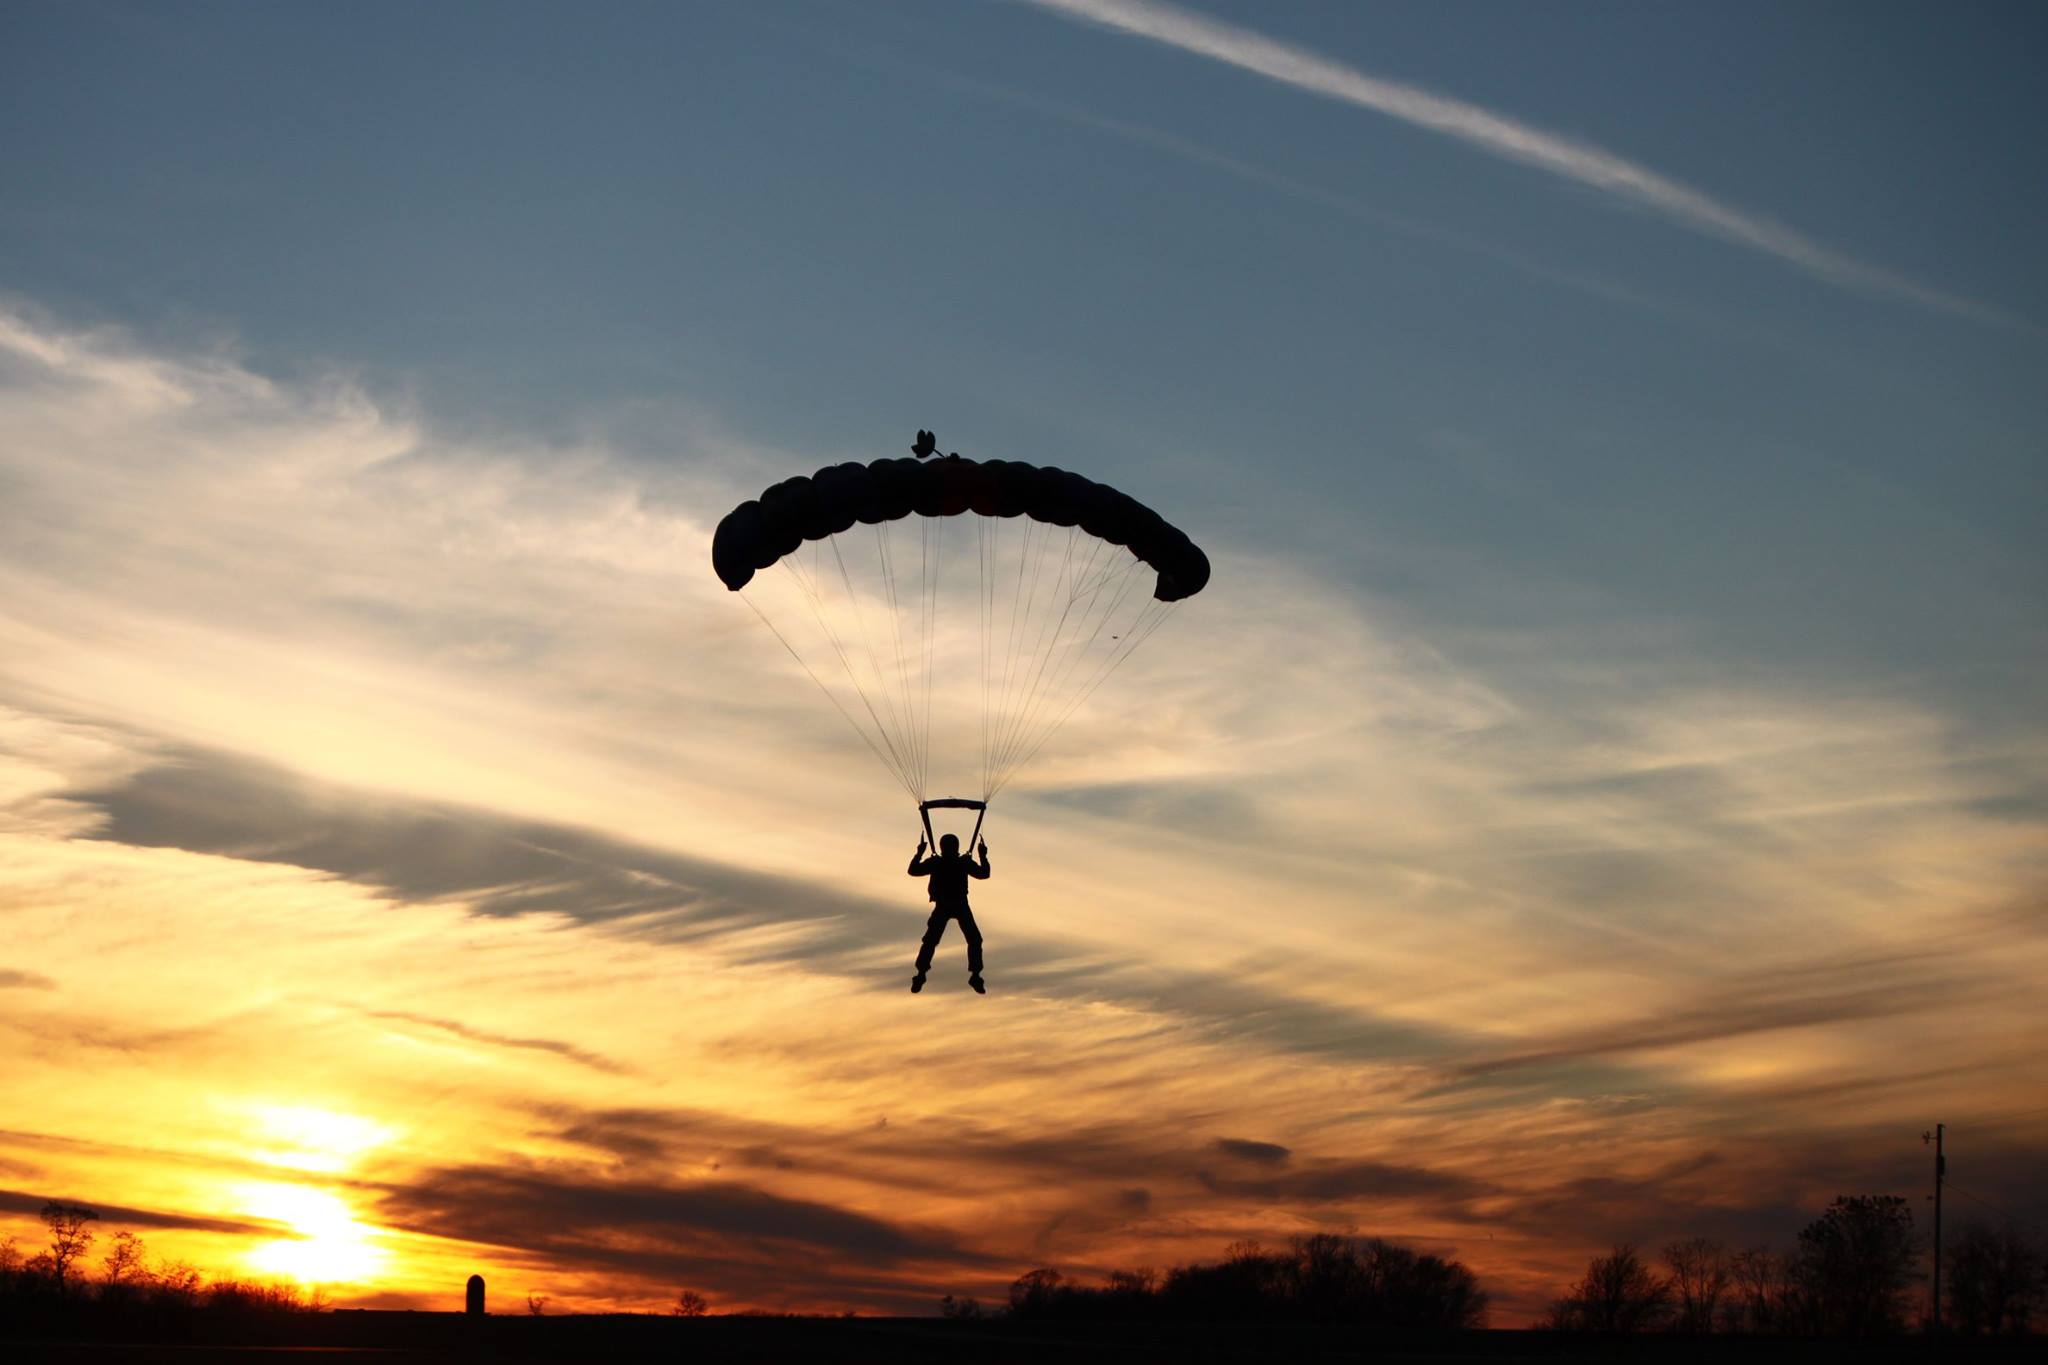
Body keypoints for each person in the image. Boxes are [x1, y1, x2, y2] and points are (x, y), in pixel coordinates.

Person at [907, 832, 990, 994]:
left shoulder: (939, 862)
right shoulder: (959, 863)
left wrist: (919, 853)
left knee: (933, 941)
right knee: (971, 939)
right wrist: (983, 856)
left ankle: (921, 974)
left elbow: (913, 870)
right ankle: (974, 975)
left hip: (950, 904)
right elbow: (984, 873)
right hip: (954, 904)